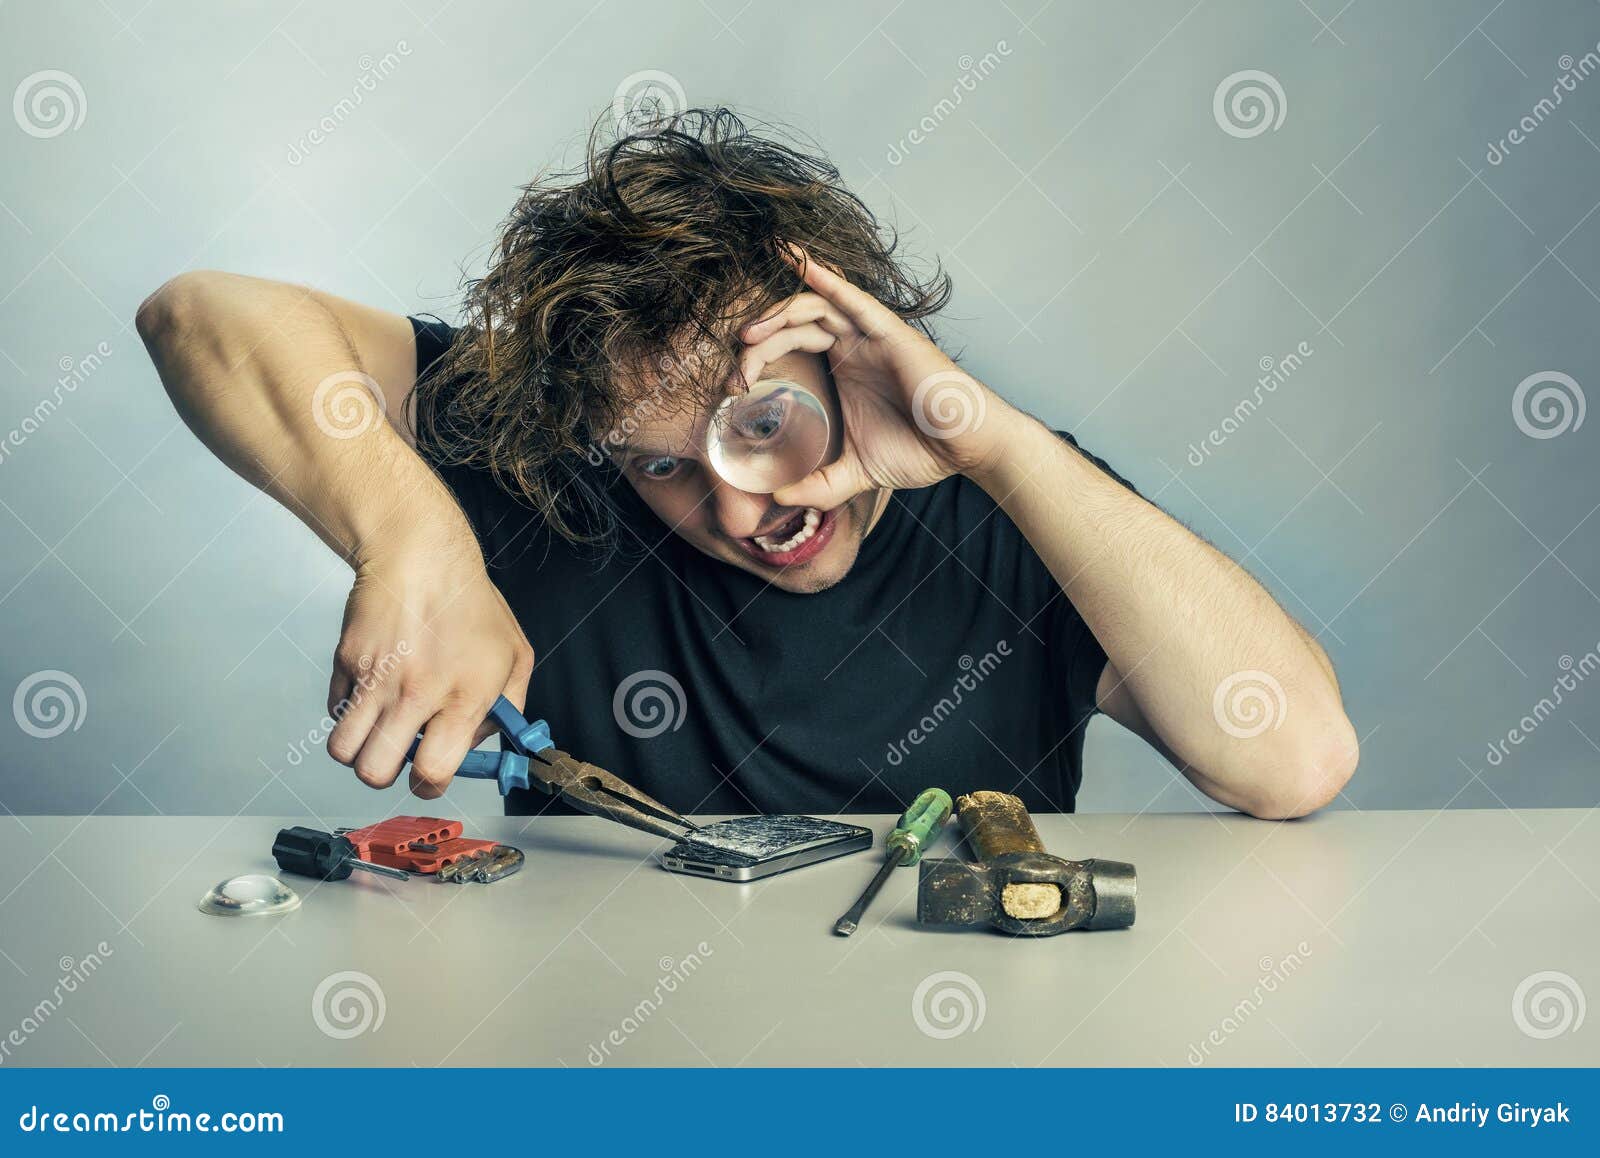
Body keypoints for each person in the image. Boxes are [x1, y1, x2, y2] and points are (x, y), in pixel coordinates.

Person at [135, 109, 1357, 820]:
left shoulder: (1011, 503)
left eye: (761, 427)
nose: (735, 508)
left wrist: (990, 440)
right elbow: (202, 315)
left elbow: (1294, 761)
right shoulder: (552, 450)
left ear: (853, 353)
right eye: (661, 468)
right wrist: (415, 543)